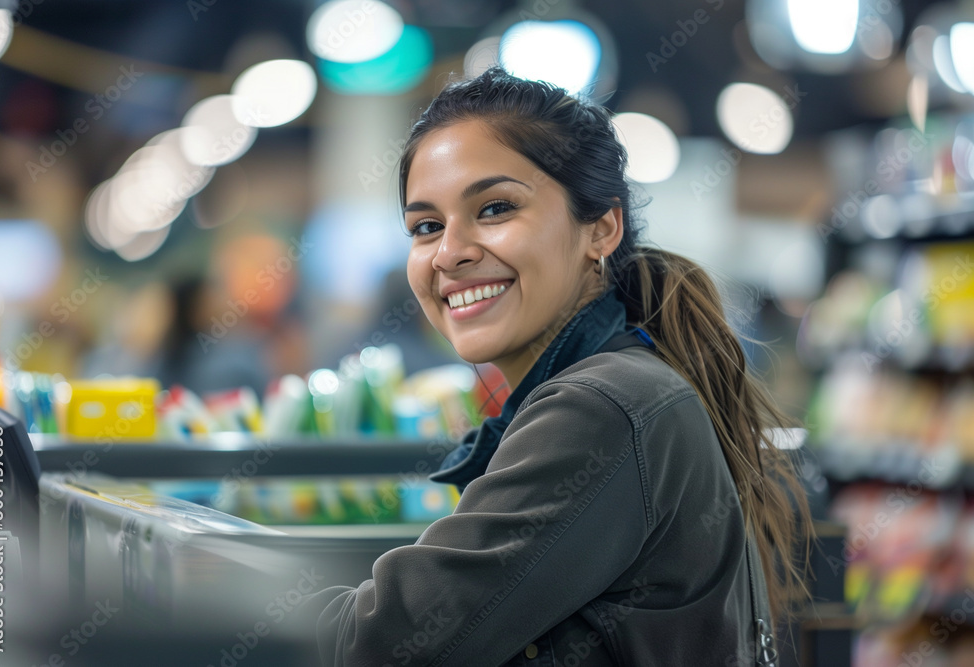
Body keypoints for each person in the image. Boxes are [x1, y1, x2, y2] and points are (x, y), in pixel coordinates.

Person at [304, 66, 816, 666]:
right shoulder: (629, 382)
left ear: (601, 228)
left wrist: (204, 571)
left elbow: (380, 647)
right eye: (426, 226)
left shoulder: (602, 407)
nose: (449, 252)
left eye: (495, 208)